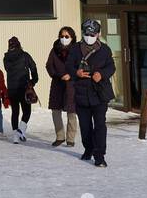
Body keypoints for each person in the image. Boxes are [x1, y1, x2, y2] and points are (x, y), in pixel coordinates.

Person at [66, 18, 115, 167]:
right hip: (81, 93)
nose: (89, 37)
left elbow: (111, 67)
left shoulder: (105, 49)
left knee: (100, 125)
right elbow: (68, 66)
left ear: (98, 34)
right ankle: (88, 149)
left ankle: (99, 156)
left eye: (92, 34)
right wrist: (76, 73)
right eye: (87, 34)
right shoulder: (75, 49)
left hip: (99, 93)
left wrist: (101, 74)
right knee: (85, 126)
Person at [45, 26, 79, 147]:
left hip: (71, 84)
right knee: (55, 110)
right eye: (62, 36)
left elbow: (80, 66)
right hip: (57, 83)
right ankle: (60, 136)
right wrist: (58, 75)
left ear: (72, 37)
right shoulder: (54, 50)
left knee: (71, 111)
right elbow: (49, 65)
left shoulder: (77, 50)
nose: (64, 38)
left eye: (66, 36)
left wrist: (71, 75)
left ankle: (70, 138)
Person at [3, 36, 39, 143]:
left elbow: (8, 70)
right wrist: (34, 80)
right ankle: (21, 130)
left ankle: (15, 136)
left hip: (12, 89)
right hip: (24, 88)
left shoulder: (6, 58)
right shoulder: (25, 55)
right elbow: (33, 67)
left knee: (15, 112)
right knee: (26, 111)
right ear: (19, 44)